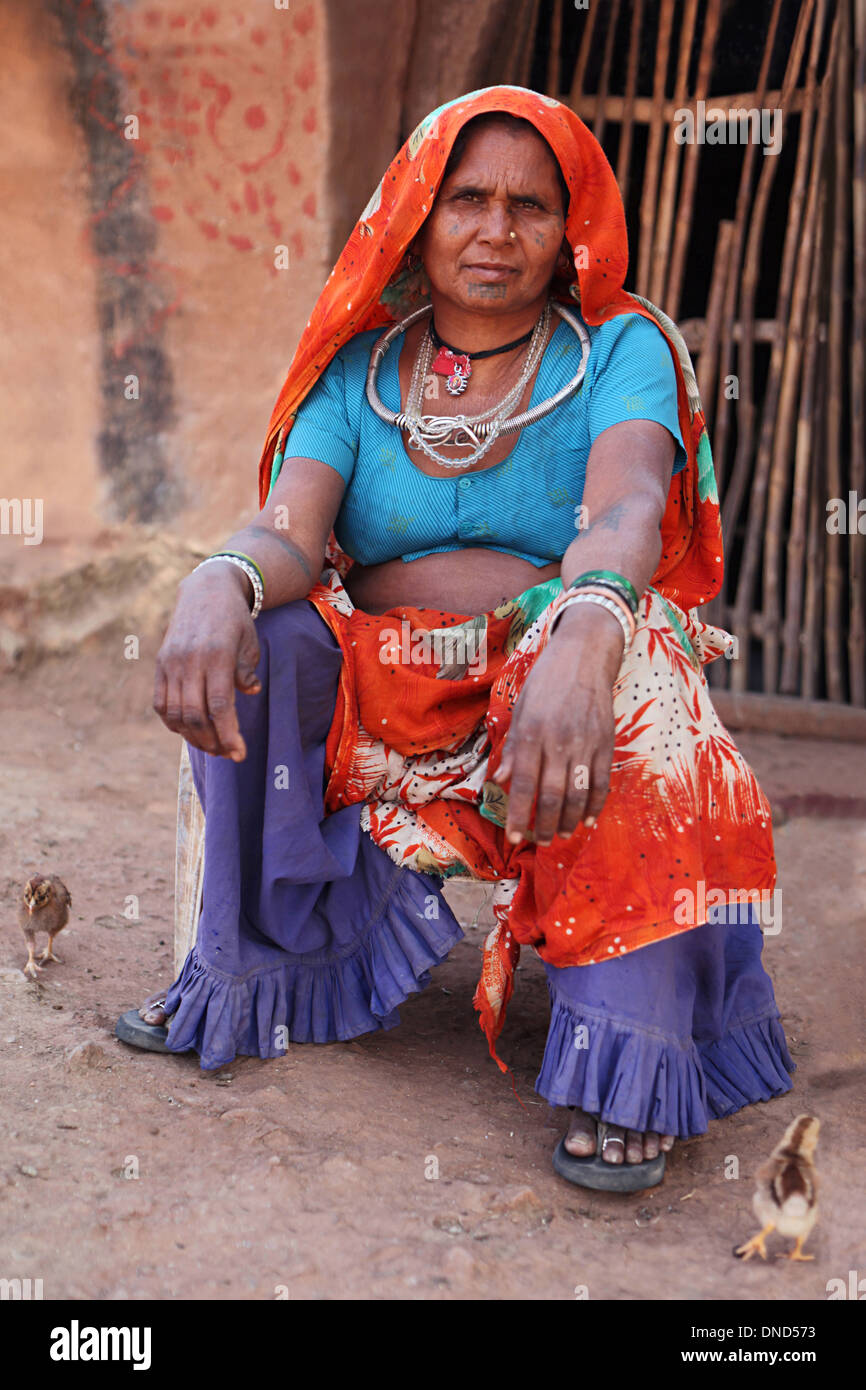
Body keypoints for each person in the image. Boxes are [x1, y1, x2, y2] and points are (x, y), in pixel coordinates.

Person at [117, 87, 793, 1191]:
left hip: (544, 687)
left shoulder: (616, 349)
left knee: (638, 667)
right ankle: (257, 974)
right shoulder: (357, 370)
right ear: (417, 218)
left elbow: (624, 508)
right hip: (389, 694)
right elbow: (292, 530)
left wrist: (583, 628)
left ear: (566, 224)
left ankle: (626, 1057)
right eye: (466, 199)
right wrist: (219, 575)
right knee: (266, 635)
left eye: (530, 204)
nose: (496, 230)